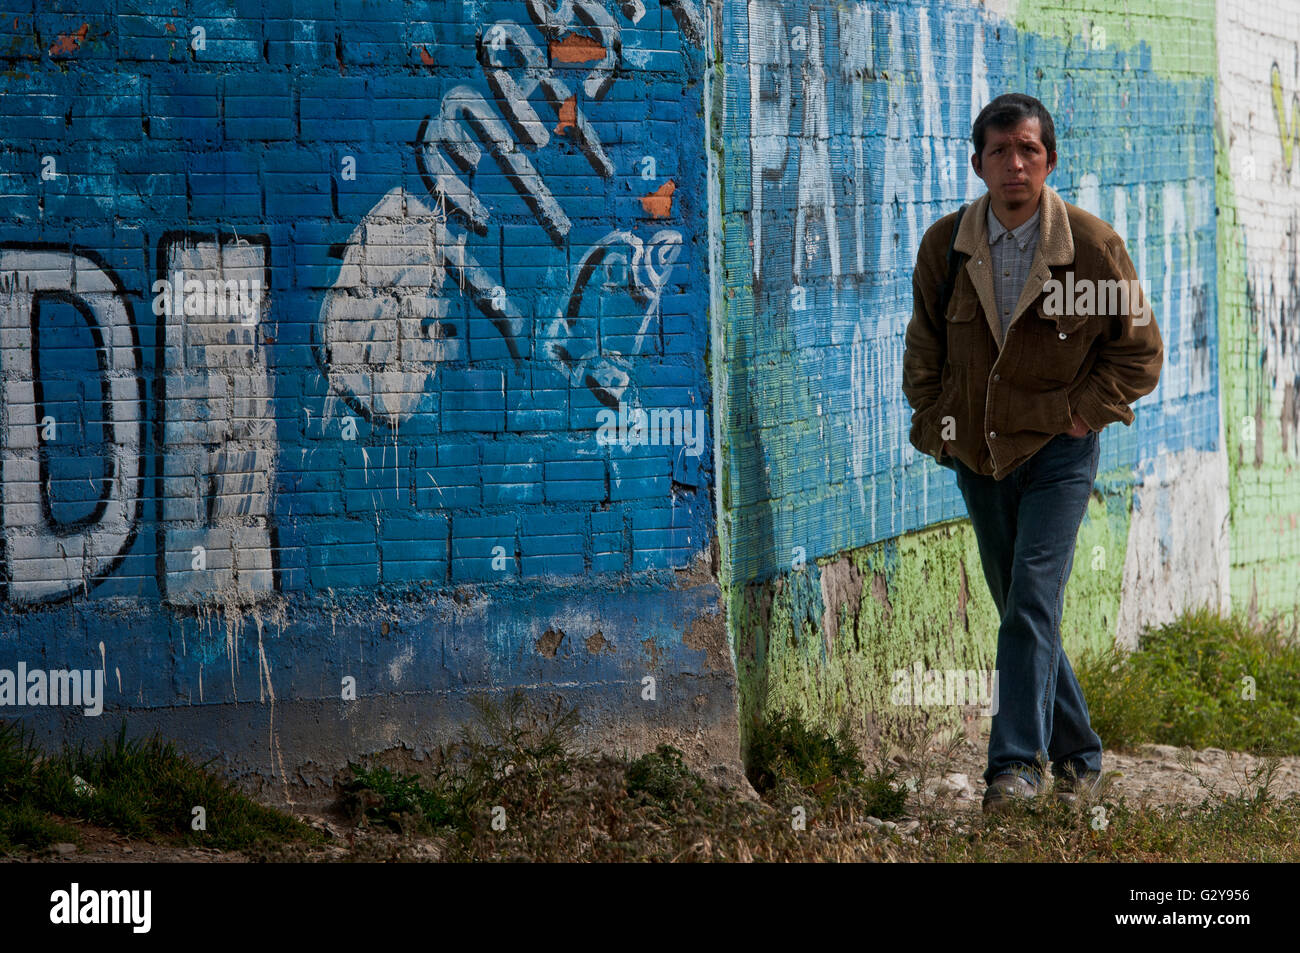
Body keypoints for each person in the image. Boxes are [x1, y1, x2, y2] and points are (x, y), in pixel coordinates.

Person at [901, 93, 1164, 813]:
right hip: (979, 456)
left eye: (1029, 150)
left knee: (1032, 600)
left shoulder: (1091, 246)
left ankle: (1015, 767)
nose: (1015, 164)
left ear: (1050, 158)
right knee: (1021, 604)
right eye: (1000, 151)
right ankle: (1080, 754)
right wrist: (935, 423)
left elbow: (1140, 354)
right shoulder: (946, 246)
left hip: (1058, 454)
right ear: (977, 161)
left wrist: (1082, 414)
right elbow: (924, 344)